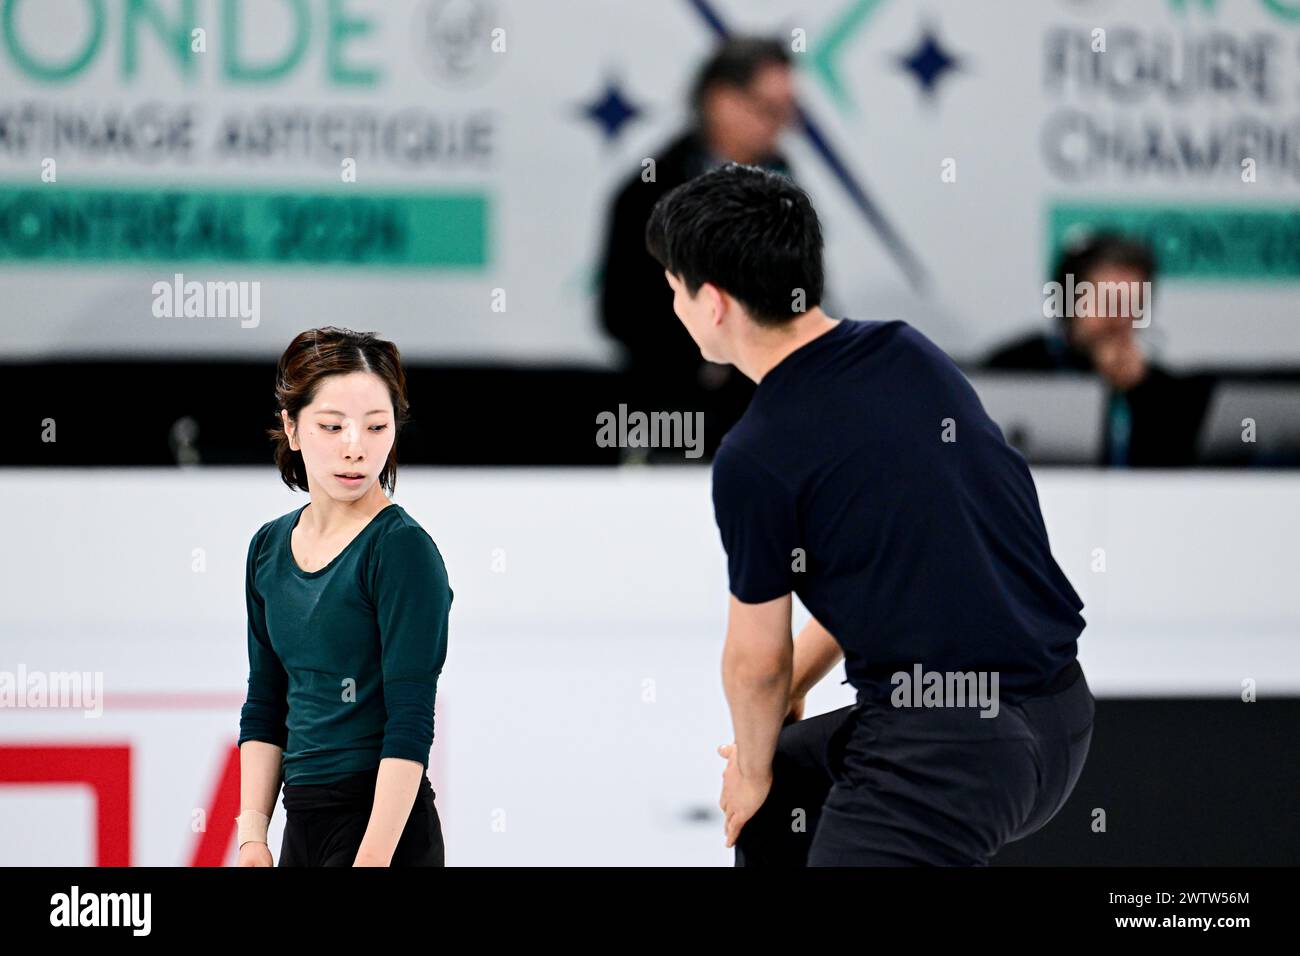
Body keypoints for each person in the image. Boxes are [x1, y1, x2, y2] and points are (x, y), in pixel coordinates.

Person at [644, 164, 1095, 866]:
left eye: (674, 288)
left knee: (769, 780)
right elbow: (892, 565)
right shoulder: (909, 356)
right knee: (788, 791)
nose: (671, 307)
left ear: (715, 303)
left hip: (948, 754)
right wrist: (780, 729)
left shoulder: (757, 455)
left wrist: (750, 768)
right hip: (1060, 720)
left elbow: (755, 661)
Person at [234, 327, 452, 867]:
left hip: (384, 829)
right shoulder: (267, 548)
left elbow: (410, 720)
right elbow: (265, 702)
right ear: (293, 426)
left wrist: (373, 858)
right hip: (301, 823)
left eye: (377, 427)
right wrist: (252, 836)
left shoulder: (401, 551)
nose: (356, 447)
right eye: (332, 426)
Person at [598, 36, 798, 460]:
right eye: (770, 110)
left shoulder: (785, 188)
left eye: (787, 112)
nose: (780, 125)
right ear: (721, 100)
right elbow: (620, 311)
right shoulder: (648, 194)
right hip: (674, 425)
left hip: (767, 425)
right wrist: (709, 360)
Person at [985, 232, 1215, 467]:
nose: (1121, 318)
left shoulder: (1163, 394)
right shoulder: (1013, 368)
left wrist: (1141, 392)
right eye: (1109, 302)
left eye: (1134, 304)